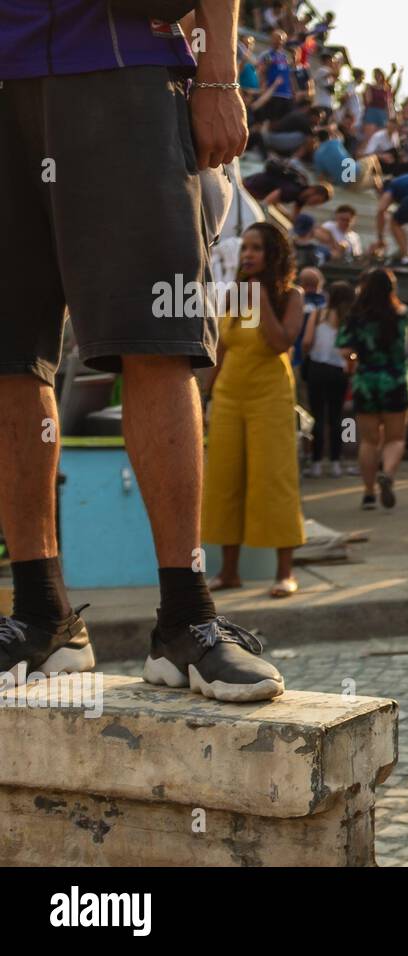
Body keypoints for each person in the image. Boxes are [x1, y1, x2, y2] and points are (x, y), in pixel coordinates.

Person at [0, 0, 288, 702]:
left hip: (124, 63)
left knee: (159, 343)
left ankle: (186, 620)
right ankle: (42, 618)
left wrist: (219, 76)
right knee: (8, 359)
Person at [202, 222, 306, 602]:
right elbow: (223, 349)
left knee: (272, 480)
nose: (247, 254)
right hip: (229, 396)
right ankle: (229, 572)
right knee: (225, 479)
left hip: (271, 397)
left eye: (256, 248)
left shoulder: (291, 296)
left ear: (273, 255)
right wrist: (204, 396)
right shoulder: (233, 297)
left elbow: (280, 342)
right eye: (244, 247)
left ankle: (285, 573)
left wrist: (259, 299)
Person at [336, 268, 408, 510]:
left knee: (369, 441)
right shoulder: (401, 315)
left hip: (366, 381)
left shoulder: (355, 316)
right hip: (395, 380)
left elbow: (344, 349)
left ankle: (368, 494)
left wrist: (357, 356)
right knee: (396, 438)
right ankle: (387, 475)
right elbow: (404, 348)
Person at [302, 280, 355, 478]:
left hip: (317, 368)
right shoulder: (348, 319)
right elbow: (351, 350)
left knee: (317, 415)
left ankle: (316, 462)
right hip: (339, 370)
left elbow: (306, 341)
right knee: (336, 416)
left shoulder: (318, 314)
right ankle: (335, 462)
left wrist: (313, 351)